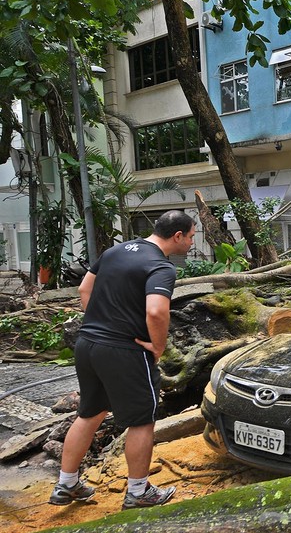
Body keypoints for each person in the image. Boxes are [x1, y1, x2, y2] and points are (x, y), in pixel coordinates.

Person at [49, 210, 196, 509]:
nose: (192, 243)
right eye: (192, 237)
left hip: (88, 344)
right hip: (125, 350)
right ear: (178, 236)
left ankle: (66, 483)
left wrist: (101, 322)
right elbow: (156, 311)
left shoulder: (115, 251)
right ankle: (139, 491)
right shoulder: (161, 266)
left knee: (90, 413)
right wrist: (157, 346)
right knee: (142, 420)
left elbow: (84, 289)